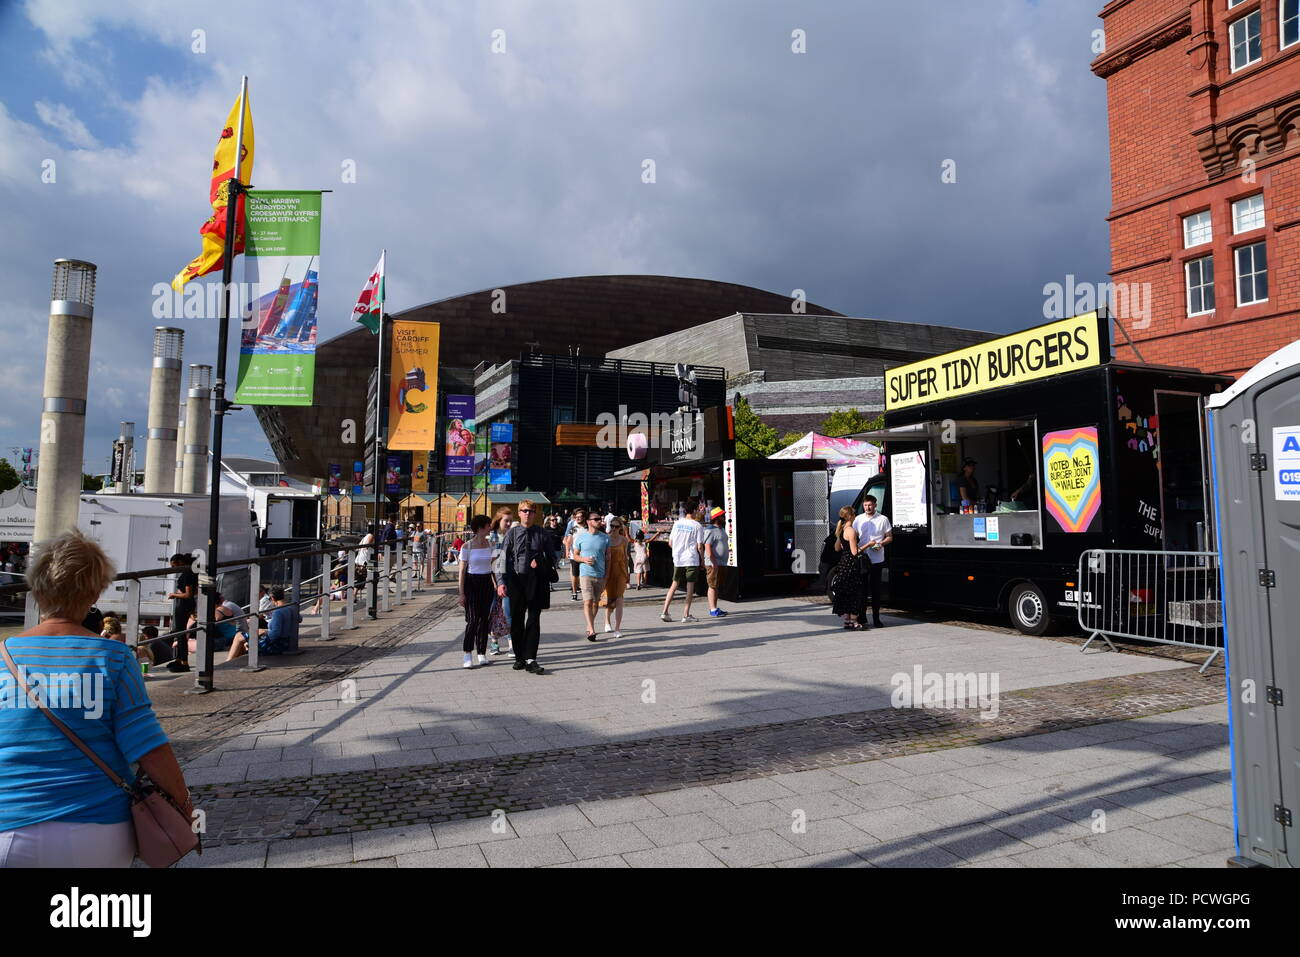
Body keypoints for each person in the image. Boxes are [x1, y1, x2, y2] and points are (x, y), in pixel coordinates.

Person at [0, 529, 191, 867]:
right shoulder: (113, 658)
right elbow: (148, 746)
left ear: (36, 587)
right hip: (98, 829)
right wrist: (185, 806)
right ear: (95, 589)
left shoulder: (3, 658)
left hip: (10, 827)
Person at [498, 499, 558, 674]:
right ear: (519, 512)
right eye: (524, 511)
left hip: (536, 581)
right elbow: (502, 558)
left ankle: (531, 658)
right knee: (517, 620)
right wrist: (501, 582)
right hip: (516, 580)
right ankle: (519, 656)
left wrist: (540, 561)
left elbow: (552, 557)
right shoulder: (512, 533)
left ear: (535, 513)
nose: (527, 514)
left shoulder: (542, 533)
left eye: (531, 511)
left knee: (533, 619)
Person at [458, 515, 497, 668]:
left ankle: (481, 652)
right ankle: (467, 653)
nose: (490, 527)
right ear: (481, 527)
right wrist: (461, 593)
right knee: (473, 619)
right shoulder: (467, 546)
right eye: (488, 525)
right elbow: (462, 571)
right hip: (471, 583)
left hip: (487, 582)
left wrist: (497, 585)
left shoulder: (492, 545)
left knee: (484, 619)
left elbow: (495, 567)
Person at [660, 498, 704, 623]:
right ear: (695, 510)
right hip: (691, 558)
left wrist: (678, 550)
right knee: (690, 586)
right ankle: (686, 614)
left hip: (678, 559)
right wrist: (702, 560)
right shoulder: (697, 526)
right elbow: (700, 546)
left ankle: (665, 611)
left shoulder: (677, 523)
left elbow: (670, 543)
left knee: (674, 584)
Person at [852, 494, 892, 629]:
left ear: (875, 505)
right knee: (862, 590)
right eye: (865, 505)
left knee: (875, 590)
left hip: (876, 559)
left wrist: (881, 543)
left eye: (870, 505)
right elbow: (854, 537)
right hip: (862, 558)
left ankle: (876, 618)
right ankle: (862, 618)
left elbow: (889, 537)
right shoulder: (858, 519)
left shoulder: (883, 519)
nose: (867, 507)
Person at [227, 587, 297, 661]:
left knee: (239, 636)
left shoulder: (278, 612)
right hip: (286, 642)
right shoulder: (290, 607)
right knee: (244, 643)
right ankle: (231, 662)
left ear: (272, 598)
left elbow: (275, 634)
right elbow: (299, 619)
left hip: (277, 645)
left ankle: (228, 662)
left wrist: (263, 631)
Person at [572, 512, 610, 642]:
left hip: (600, 575)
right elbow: (574, 556)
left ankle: (589, 625)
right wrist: (583, 559)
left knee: (595, 603)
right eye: (596, 519)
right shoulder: (581, 537)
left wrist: (606, 575)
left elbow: (608, 558)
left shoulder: (605, 538)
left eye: (600, 519)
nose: (600, 521)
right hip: (585, 574)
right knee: (587, 601)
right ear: (588, 521)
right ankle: (592, 628)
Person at [830, 506, 865, 629]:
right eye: (854, 513)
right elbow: (855, 552)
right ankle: (854, 621)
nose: (856, 515)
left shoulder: (841, 529)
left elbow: (837, 548)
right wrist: (869, 545)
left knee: (845, 591)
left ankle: (847, 620)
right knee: (855, 592)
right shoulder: (851, 530)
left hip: (843, 564)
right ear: (850, 516)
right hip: (851, 565)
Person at [487, 509, 514, 656]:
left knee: (509, 611)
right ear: (498, 521)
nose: (509, 524)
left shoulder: (512, 535)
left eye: (511, 520)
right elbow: (490, 562)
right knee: (493, 611)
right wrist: (495, 582)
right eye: (506, 521)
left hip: (508, 579)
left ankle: (512, 643)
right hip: (493, 580)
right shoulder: (491, 538)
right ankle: (494, 642)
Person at [164, 552, 197, 672]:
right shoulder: (190, 572)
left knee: (181, 634)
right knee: (179, 632)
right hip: (186, 604)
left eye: (174, 566)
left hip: (183, 605)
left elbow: (188, 594)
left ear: (180, 563)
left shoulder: (187, 574)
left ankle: (184, 663)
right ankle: (179, 660)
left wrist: (174, 594)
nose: (173, 569)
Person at [602, 517, 630, 638]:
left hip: (620, 571)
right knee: (609, 598)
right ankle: (607, 621)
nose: (614, 528)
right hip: (608, 571)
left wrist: (628, 573)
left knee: (619, 598)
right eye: (612, 526)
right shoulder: (605, 539)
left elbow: (625, 557)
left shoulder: (624, 540)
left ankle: (617, 628)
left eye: (616, 526)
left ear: (621, 528)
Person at [703, 507, 730, 618]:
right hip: (713, 563)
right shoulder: (710, 530)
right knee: (712, 585)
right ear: (716, 518)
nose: (724, 517)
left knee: (716, 585)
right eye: (722, 516)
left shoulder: (721, 529)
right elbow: (707, 546)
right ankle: (713, 609)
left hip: (721, 563)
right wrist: (713, 561)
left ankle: (715, 607)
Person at [563, 507, 588, 602]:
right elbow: (568, 540)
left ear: (584, 518)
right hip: (575, 555)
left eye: (580, 517)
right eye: (576, 517)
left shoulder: (588, 527)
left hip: (586, 555)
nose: (577, 518)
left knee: (585, 574)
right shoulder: (573, 528)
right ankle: (574, 592)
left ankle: (586, 591)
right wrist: (567, 552)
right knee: (575, 575)